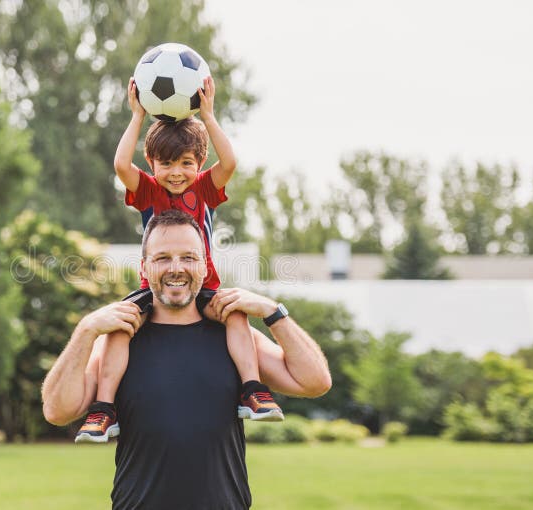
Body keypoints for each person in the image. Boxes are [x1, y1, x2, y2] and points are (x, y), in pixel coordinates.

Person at [42, 210, 331, 509]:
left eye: (189, 258)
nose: (176, 268)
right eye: (162, 258)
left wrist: (273, 311)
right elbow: (57, 410)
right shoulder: (120, 340)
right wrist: (85, 330)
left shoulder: (236, 339)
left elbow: (315, 381)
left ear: (205, 267)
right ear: (145, 267)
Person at [75, 75, 284, 443]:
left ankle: (253, 390)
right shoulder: (149, 191)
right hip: (155, 287)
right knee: (118, 329)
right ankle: (104, 410)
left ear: (200, 162)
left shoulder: (204, 187)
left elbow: (230, 161)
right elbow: (122, 165)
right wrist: (137, 115)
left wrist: (209, 116)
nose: (176, 173)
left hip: (203, 283)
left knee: (236, 314)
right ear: (152, 164)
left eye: (186, 163)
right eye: (166, 163)